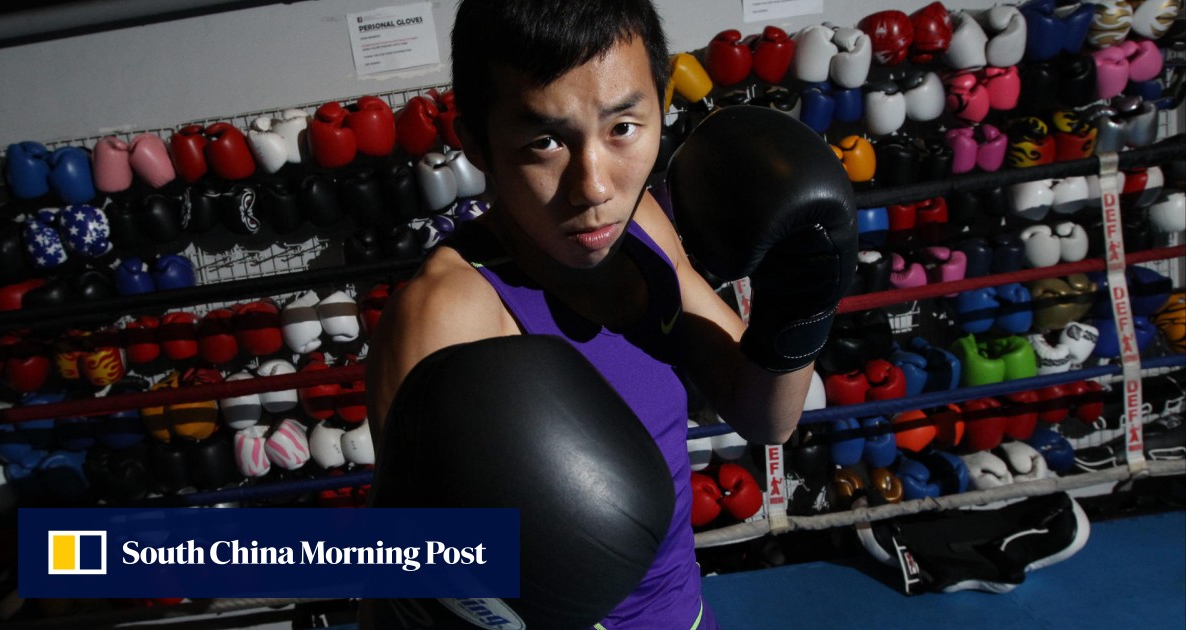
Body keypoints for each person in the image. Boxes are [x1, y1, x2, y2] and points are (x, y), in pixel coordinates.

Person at [363, 0, 857, 627]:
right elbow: (407, 588)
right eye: (545, 141)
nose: (595, 188)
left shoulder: (643, 223)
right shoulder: (447, 317)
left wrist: (801, 306)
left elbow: (767, 419)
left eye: (623, 127)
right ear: (478, 145)